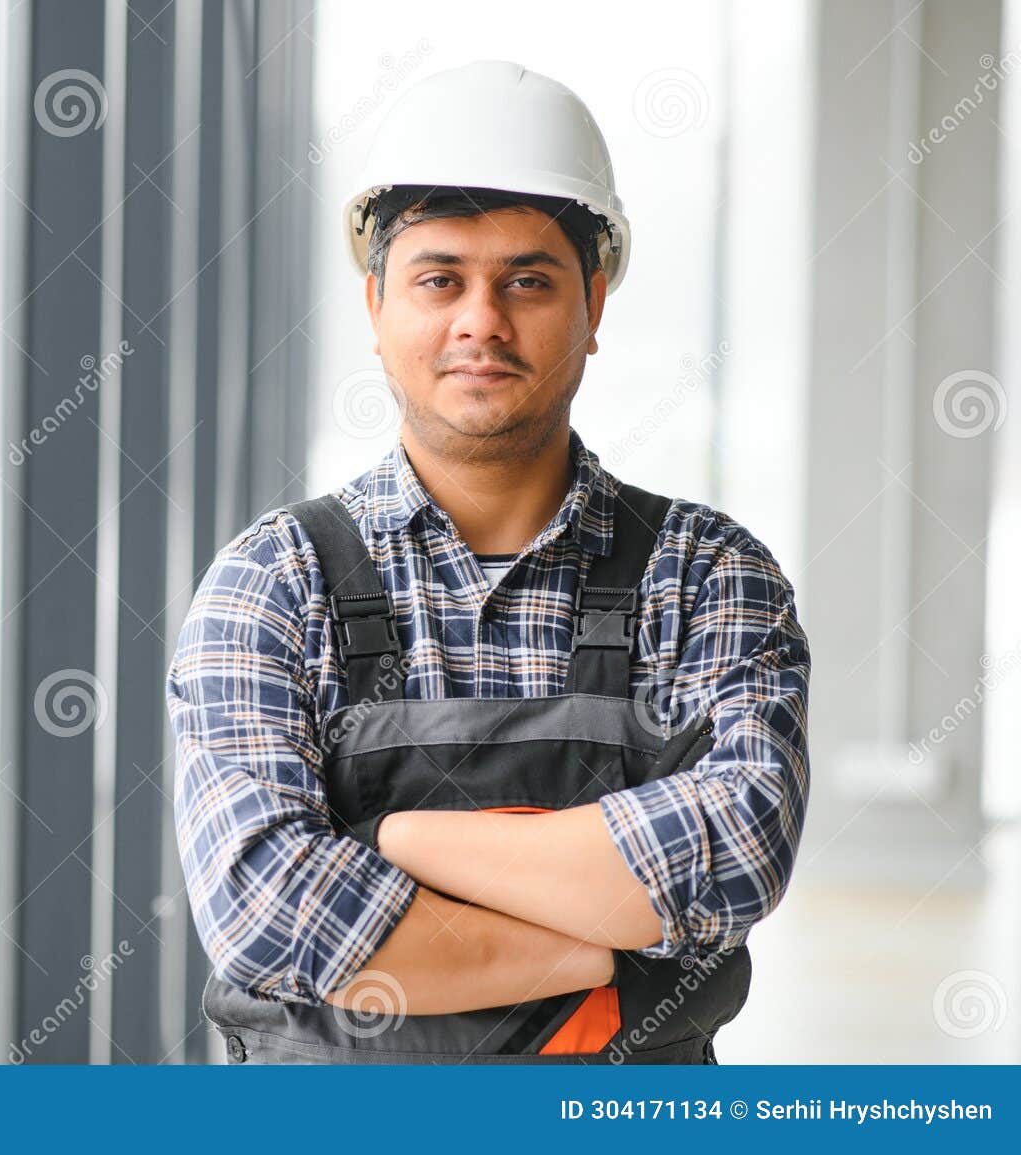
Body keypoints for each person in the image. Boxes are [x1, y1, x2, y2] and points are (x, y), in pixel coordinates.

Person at [165, 60, 810, 1064]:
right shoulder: (274, 584)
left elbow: (733, 859)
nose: (481, 321)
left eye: (528, 280)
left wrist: (401, 843)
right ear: (376, 308)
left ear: (593, 305)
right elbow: (272, 912)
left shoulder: (706, 576)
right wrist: (595, 949)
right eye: (438, 279)